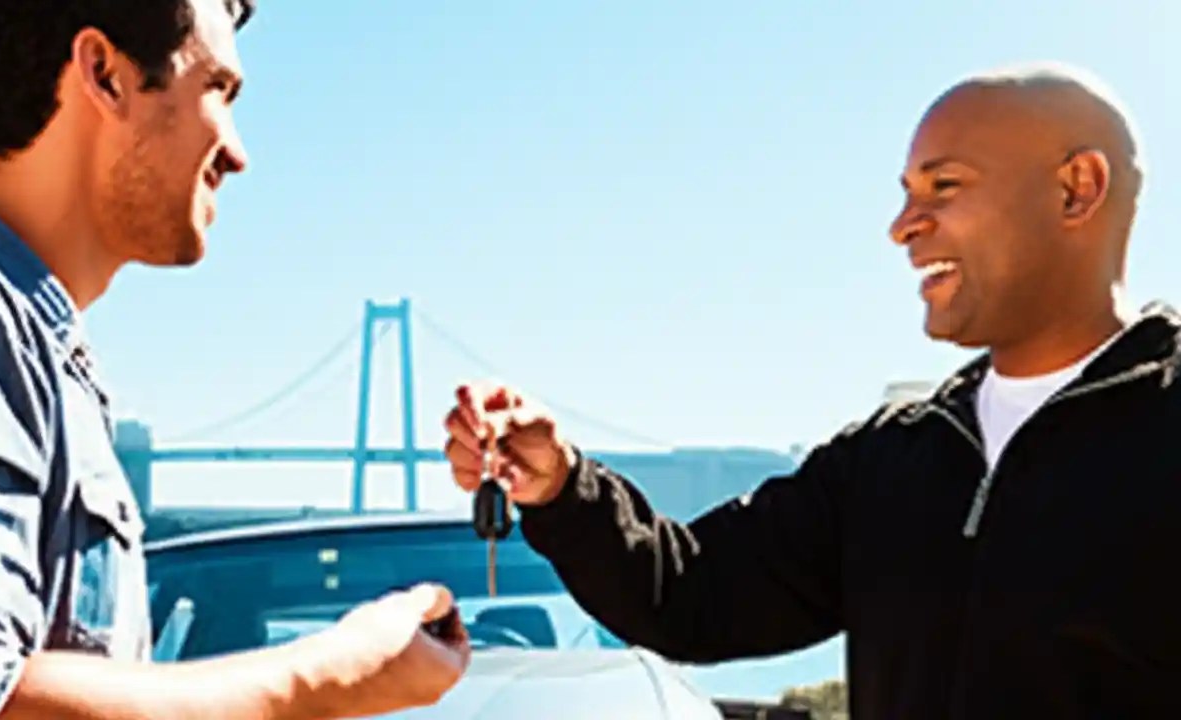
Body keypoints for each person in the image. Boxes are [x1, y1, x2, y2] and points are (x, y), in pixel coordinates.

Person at [444, 63, 1178, 719]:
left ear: (1076, 189)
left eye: (944, 186)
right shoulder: (888, 460)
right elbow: (690, 596)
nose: (902, 227)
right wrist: (562, 487)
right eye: (906, 194)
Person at [0, 1, 469, 718]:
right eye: (218, 91)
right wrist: (330, 677)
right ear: (105, 75)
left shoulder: (18, 338)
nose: (237, 152)